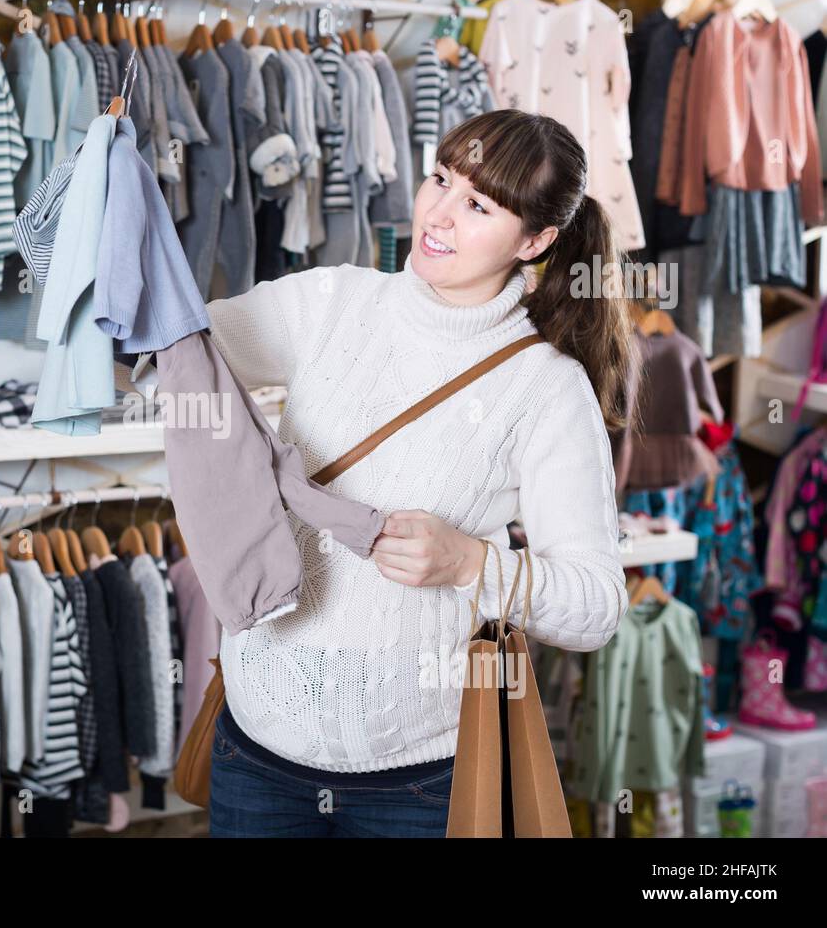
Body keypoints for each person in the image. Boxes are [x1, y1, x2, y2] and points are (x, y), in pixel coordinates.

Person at [204, 109, 634, 837]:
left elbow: (597, 606)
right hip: (253, 755)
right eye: (441, 179)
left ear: (536, 241)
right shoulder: (331, 302)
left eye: (478, 205)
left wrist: (472, 562)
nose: (438, 213)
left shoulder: (546, 389)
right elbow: (182, 349)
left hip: (416, 790)